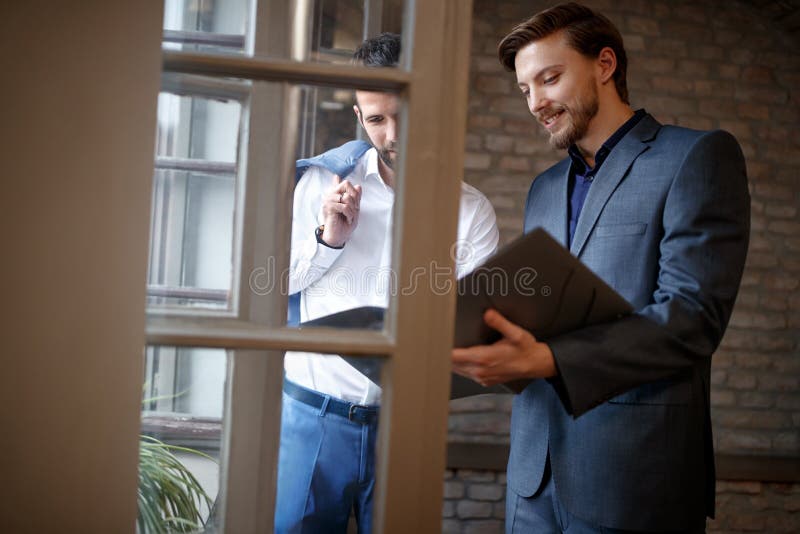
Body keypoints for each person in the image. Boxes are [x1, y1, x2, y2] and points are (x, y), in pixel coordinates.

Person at [451, 3, 750, 533]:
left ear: (604, 65)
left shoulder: (697, 157)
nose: (536, 102)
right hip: (532, 479)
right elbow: (547, 315)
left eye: (550, 78)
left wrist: (546, 359)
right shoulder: (542, 189)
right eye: (525, 90)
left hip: (635, 477)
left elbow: (692, 318)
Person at [276, 32, 499, 534]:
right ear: (359, 117)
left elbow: (474, 329)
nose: (394, 133)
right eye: (376, 119)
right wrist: (329, 238)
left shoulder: (471, 212)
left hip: (407, 430)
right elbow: (277, 286)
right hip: (312, 419)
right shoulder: (319, 184)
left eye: (406, 114)